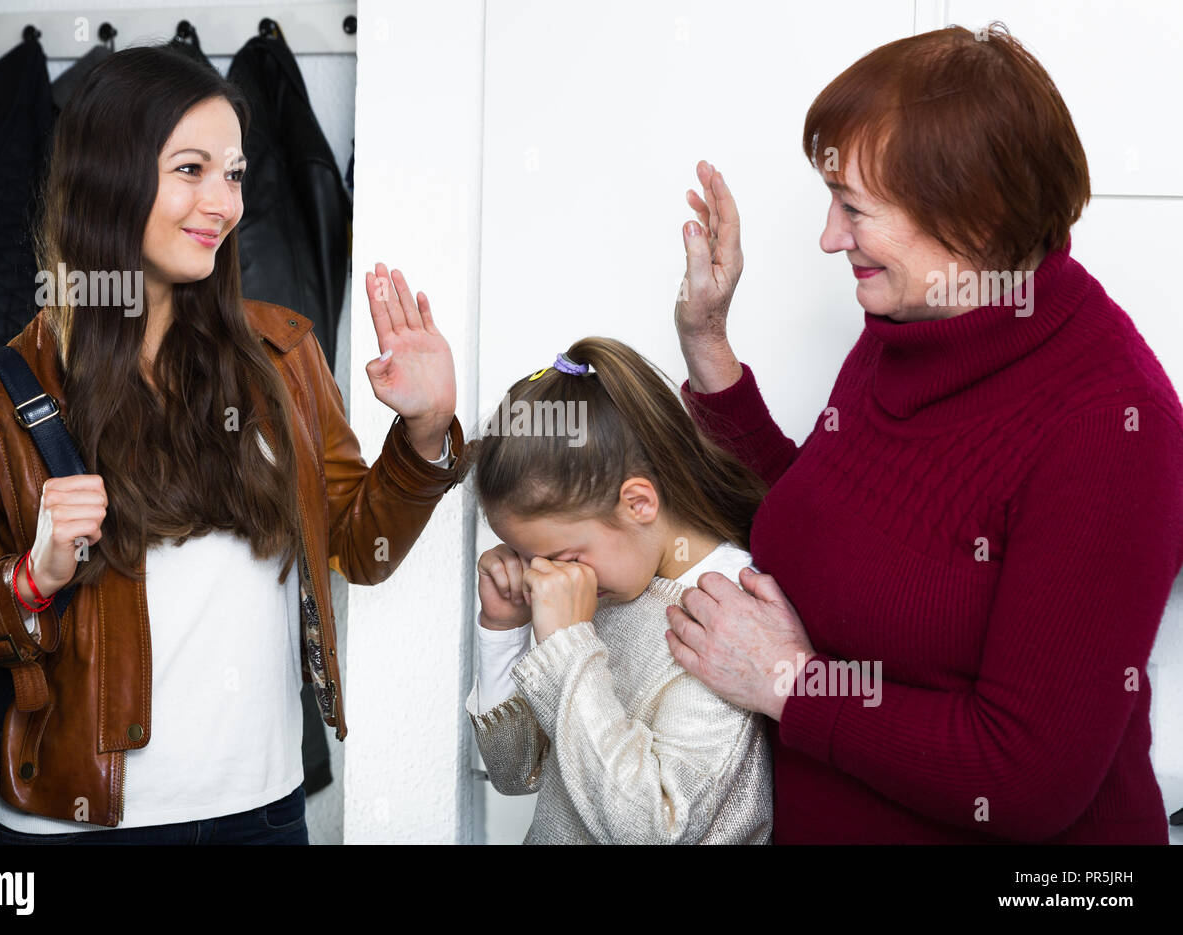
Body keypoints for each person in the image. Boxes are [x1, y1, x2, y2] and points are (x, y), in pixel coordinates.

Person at [666, 23, 1183, 843]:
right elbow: (825, 521)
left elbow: (1022, 777)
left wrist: (794, 684)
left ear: (972, 221)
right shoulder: (920, 315)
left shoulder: (1112, 427)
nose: (829, 237)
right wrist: (707, 344)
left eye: (855, 209)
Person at [0, 45, 467, 844]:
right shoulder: (8, 390)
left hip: (263, 813)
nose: (223, 202)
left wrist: (421, 431)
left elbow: (356, 544)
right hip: (86, 825)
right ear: (110, 176)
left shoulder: (282, 354)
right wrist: (34, 578)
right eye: (192, 169)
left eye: (235, 174)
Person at [463, 337, 774, 844]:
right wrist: (504, 629)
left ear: (638, 504)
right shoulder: (609, 585)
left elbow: (651, 829)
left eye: (556, 557)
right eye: (525, 557)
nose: (542, 578)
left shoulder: (722, 621)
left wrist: (568, 648)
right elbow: (515, 772)